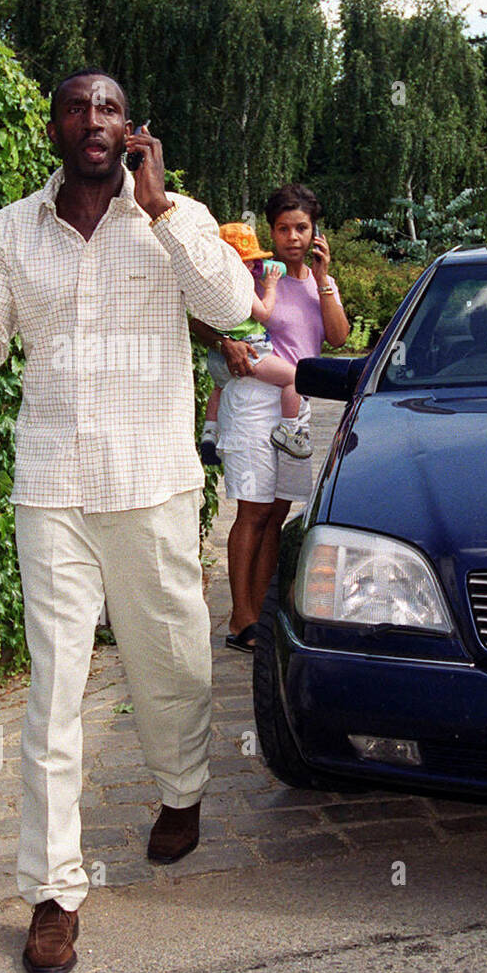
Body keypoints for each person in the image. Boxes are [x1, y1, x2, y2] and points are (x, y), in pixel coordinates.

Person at [0, 67, 254, 973]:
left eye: (109, 107)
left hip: (154, 483)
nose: (93, 120)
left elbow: (235, 308)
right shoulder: (5, 232)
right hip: (53, 489)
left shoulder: (176, 217)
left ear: (131, 128)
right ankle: (53, 893)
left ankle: (183, 790)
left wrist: (162, 212)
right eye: (76, 106)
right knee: (54, 692)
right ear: (53, 130)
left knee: (172, 662)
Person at [189, 183, 349, 652]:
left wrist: (324, 278)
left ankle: (261, 610)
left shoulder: (316, 280)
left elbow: (337, 337)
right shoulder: (252, 272)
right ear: (272, 231)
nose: (293, 237)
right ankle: (242, 621)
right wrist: (225, 342)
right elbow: (198, 315)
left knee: (278, 512)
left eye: (302, 227)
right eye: (283, 228)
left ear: (315, 231)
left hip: (297, 407)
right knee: (254, 510)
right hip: (256, 402)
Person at [199, 224, 310, 462]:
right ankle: (288, 430)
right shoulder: (241, 286)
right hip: (251, 350)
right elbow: (264, 314)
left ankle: (209, 433)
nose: (252, 267)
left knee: (219, 388)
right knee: (296, 378)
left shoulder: (211, 288)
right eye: (247, 262)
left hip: (218, 356)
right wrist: (270, 287)